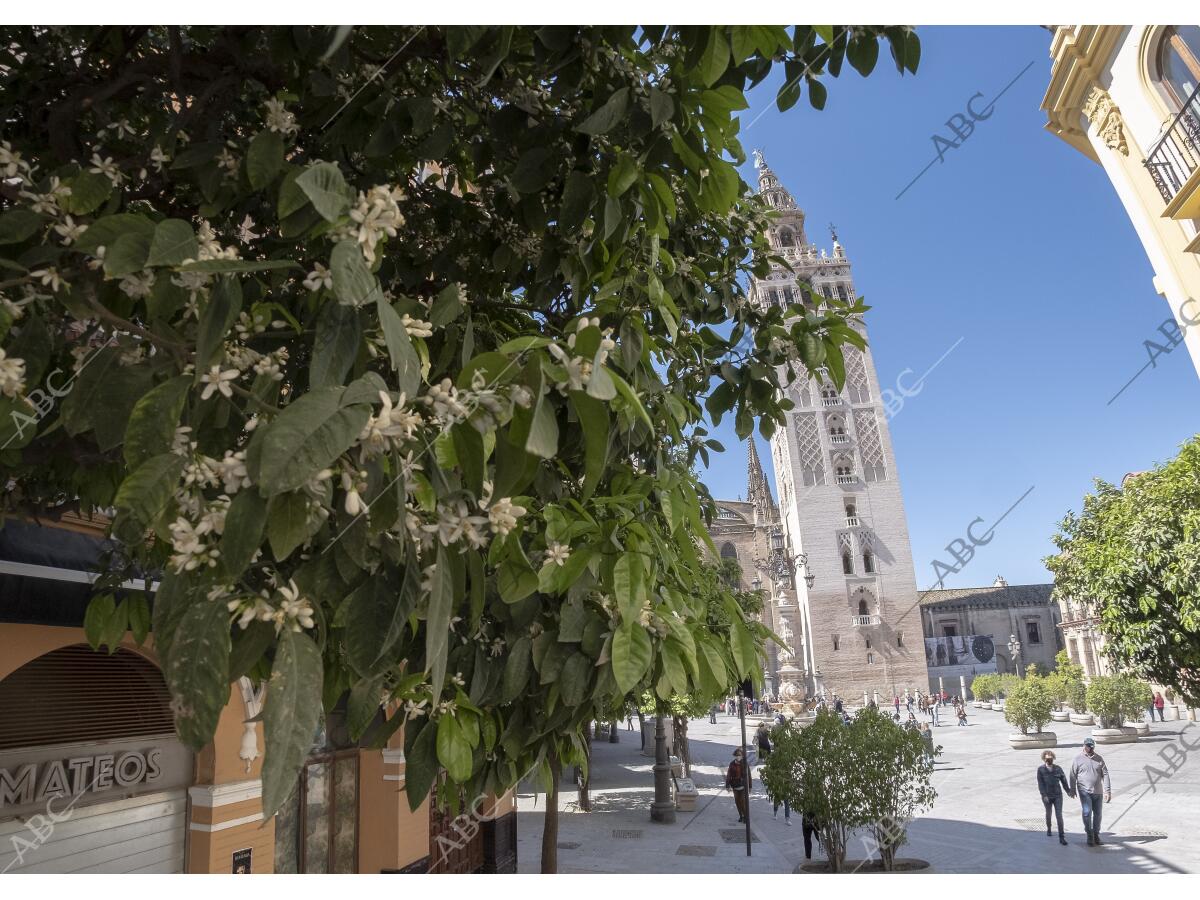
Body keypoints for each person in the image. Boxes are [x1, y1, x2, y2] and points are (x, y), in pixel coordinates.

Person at [1069, 737, 1112, 846]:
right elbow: (1072, 775)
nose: (1090, 748)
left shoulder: (1099, 758)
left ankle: (1096, 834)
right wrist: (1073, 789)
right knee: (1087, 812)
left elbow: (1105, 774)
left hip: (1098, 791)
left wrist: (1107, 791)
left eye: (1092, 746)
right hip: (1084, 790)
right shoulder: (1077, 759)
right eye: (1088, 746)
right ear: (1084, 746)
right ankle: (1089, 834)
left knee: (1098, 814)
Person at [1037, 750, 1073, 845]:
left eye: (1051, 758)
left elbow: (1064, 781)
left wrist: (1068, 791)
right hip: (1047, 796)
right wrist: (1043, 795)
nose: (1049, 760)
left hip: (1058, 795)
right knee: (1048, 813)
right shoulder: (1040, 770)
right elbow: (1040, 784)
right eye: (1047, 758)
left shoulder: (1058, 769)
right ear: (1044, 759)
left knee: (1059, 816)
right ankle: (1049, 828)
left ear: (1053, 758)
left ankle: (1062, 837)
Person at [725, 748, 750, 823]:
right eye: (737, 755)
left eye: (739, 755)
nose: (738, 757)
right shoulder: (732, 764)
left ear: (742, 756)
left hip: (743, 786)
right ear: (735, 756)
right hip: (735, 785)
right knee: (737, 802)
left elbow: (749, 775)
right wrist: (727, 785)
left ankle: (745, 816)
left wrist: (750, 786)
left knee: (742, 801)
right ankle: (741, 816)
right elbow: (729, 775)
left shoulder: (745, 763)